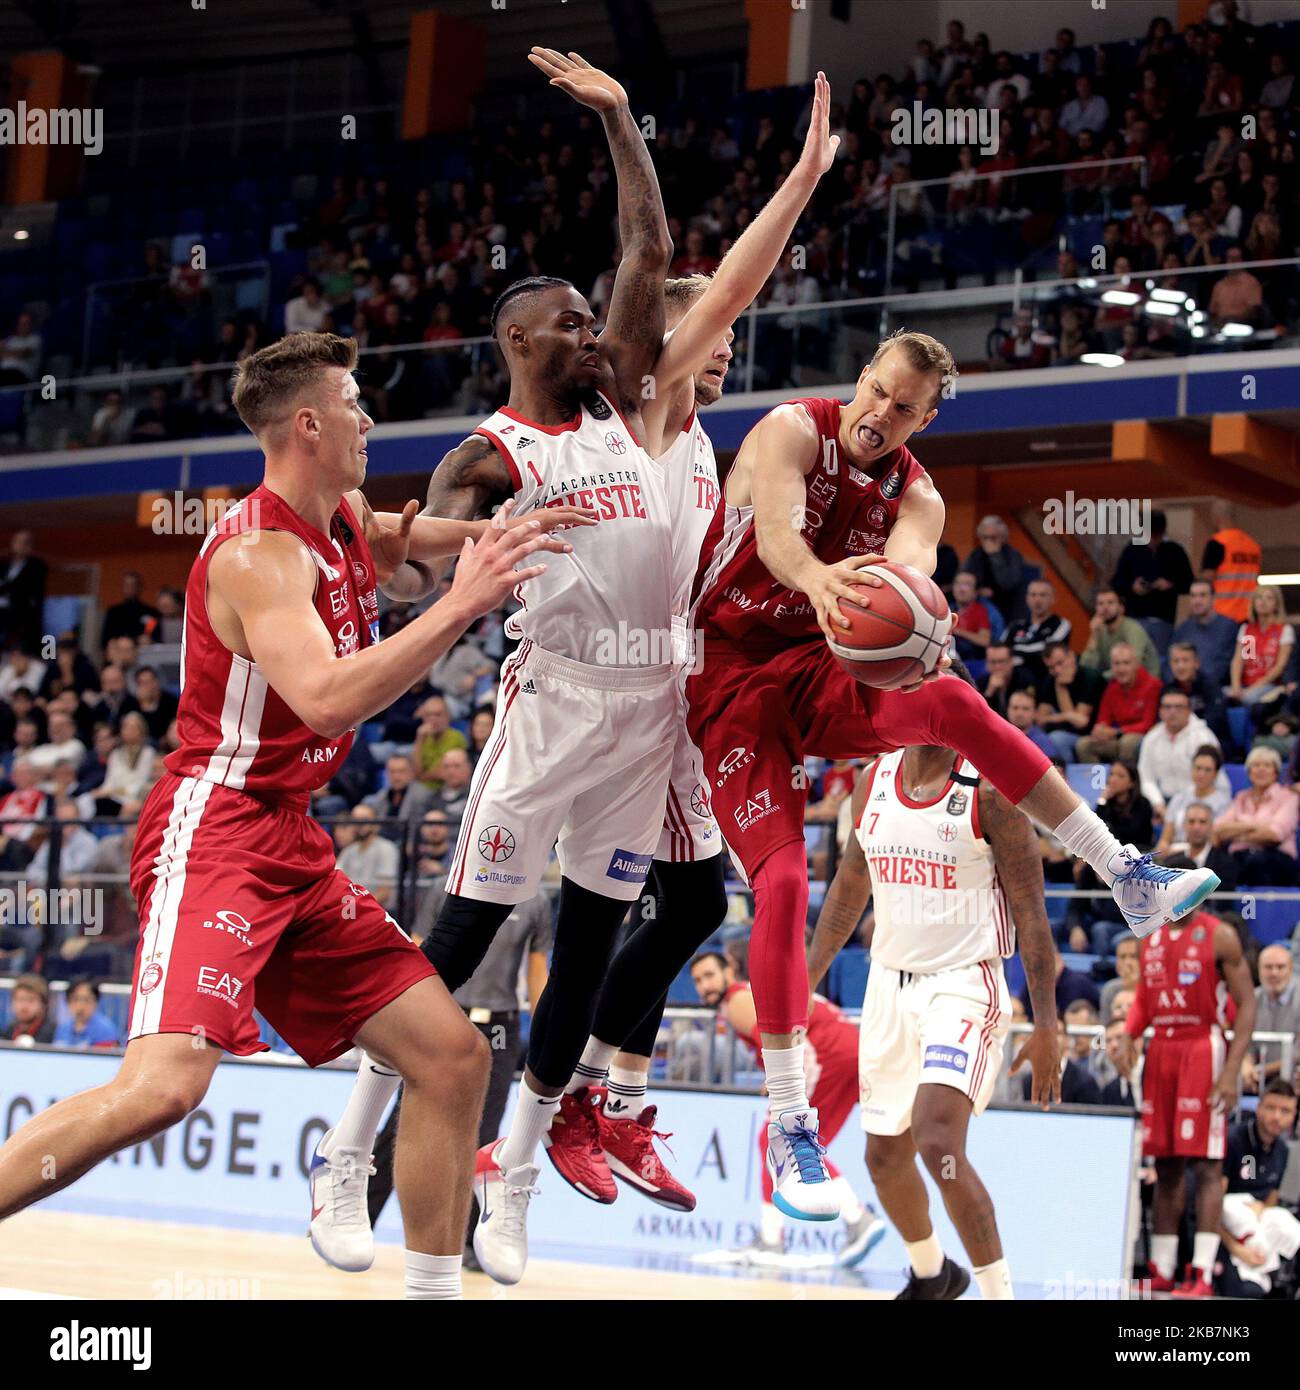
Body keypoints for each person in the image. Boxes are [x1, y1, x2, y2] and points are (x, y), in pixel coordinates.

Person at [313, 61, 849, 1288]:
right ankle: (346, 1153)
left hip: (658, 708)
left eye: (595, 316)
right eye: (568, 322)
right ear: (516, 342)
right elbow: (413, 570)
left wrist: (631, 122)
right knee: (459, 940)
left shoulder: (650, 410)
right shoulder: (491, 451)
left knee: (603, 938)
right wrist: (417, 572)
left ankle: (514, 1179)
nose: (593, 333)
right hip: (556, 701)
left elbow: (660, 248)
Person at [0, 329, 582, 1303]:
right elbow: (324, 697)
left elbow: (401, 541)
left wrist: (497, 538)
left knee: (450, 1055)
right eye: (355, 403)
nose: (369, 416)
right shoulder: (257, 557)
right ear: (308, 423)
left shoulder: (345, 514)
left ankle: (434, 1290)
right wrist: (461, 606)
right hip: (215, 826)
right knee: (165, 1090)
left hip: (294, 839)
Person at [683, 326, 1216, 1220]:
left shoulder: (919, 496)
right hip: (730, 680)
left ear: (926, 418)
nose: (885, 415)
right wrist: (820, 581)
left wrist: (902, 614)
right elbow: (776, 533)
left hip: (823, 672)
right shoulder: (790, 429)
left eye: (907, 409)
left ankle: (1124, 872)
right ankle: (790, 1122)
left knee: (955, 699)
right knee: (780, 884)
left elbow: (910, 580)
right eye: (880, 392)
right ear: (861, 379)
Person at [807, 724, 1062, 1299]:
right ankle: (932, 1275)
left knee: (938, 1141)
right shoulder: (871, 782)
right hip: (886, 986)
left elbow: (1033, 917)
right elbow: (849, 888)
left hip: (964, 983)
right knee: (882, 1155)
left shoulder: (990, 794)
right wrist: (806, 980)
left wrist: (1048, 1025)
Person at [365, 880, 552, 1266]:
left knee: (483, 1134)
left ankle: (467, 1244)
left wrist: (550, 1035)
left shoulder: (536, 901)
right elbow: (418, 953)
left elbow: (537, 974)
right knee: (400, 1126)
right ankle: (360, 1218)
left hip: (498, 1025)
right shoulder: (443, 888)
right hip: (445, 1016)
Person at [691, 952, 885, 1268]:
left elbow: (779, 1038)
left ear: (731, 970)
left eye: (710, 975)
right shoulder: (753, 995)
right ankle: (838, 1223)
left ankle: (844, 1222)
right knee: (798, 1146)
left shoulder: (737, 999)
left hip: (825, 1054)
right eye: (698, 981)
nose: (704, 986)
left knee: (778, 1141)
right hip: (851, 1052)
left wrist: (778, 1076)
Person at [1121, 899, 1255, 1298]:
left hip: (1203, 1049)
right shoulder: (1151, 938)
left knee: (1207, 1165)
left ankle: (1202, 1273)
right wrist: (1128, 1033)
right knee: (1165, 1165)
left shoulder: (1221, 935)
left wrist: (1231, 1070)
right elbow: (1145, 999)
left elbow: (1247, 1003)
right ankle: (1162, 1268)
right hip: (1161, 1050)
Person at [1215, 1080, 1300, 1298]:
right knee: (1248, 1292)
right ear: (1259, 1107)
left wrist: (1262, 1211)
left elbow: (1272, 1196)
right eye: (1271, 1108)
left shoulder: (1282, 1150)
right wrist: (1236, 1248)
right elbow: (1210, 1204)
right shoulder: (1234, 1140)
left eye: (1285, 1111)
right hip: (1225, 1233)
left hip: (1262, 1229)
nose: (1277, 1117)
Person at [1109, 509, 1193, 654]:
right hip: (1135, 618)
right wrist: (1132, 587)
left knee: (1159, 659)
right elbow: (1116, 582)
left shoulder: (1175, 551)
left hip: (1163, 619)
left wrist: (1170, 586)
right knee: (1134, 657)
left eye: (1156, 536)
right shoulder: (1132, 550)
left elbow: (1189, 583)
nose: (1152, 540)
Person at [1213, 746, 1299, 886]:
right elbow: (1219, 829)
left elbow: (1275, 835)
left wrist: (1237, 834)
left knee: (1255, 862)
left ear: (1276, 772)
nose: (1261, 770)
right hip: (1241, 856)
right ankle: (1221, 908)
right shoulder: (1241, 798)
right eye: (1256, 765)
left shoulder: (1288, 797)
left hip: (1276, 857)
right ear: (1249, 772)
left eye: (1267, 765)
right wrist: (1255, 826)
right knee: (1217, 863)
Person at [1136, 686, 1220, 818]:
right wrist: (1158, 805)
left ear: (1189, 711)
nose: (1172, 712)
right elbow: (1146, 779)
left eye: (1178, 707)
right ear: (1160, 712)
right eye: (1167, 707)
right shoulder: (1151, 738)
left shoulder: (1203, 737)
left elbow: (1211, 780)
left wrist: (1176, 810)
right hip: (1162, 801)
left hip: (1197, 802)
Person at [1075, 642, 1162, 764]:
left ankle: (1128, 783)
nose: (1121, 669)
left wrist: (1117, 732)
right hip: (1118, 738)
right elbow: (1103, 720)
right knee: (1084, 745)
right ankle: (1098, 783)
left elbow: (1148, 724)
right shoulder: (1111, 688)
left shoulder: (1153, 685)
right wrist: (1100, 730)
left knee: (1127, 742)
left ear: (1136, 664)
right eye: (1117, 664)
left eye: (1126, 663)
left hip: (1143, 737)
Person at [1227, 585, 1294, 722]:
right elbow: (1241, 660)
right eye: (1259, 597)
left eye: (1269, 598)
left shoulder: (1283, 630)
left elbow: (1280, 667)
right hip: (1245, 684)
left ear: (1277, 605)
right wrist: (1235, 686)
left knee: (1250, 699)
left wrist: (1251, 689)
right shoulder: (1248, 629)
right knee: (1221, 695)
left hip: (1270, 685)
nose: (1263, 602)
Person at [1035, 641, 1104, 763]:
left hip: (1091, 734)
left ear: (1071, 656)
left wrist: (1061, 689)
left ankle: (1065, 780)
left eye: (1060, 663)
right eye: (1051, 667)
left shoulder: (1089, 677)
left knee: (1057, 739)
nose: (1057, 670)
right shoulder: (1050, 680)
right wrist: (1066, 717)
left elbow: (1080, 722)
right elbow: (1040, 719)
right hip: (1065, 732)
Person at [1243, 946, 1300, 1093]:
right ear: (1259, 969)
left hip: (1293, 1078)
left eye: (1280, 967)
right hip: (1257, 1078)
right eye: (1268, 967)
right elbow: (1245, 1043)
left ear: (1291, 968)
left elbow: (1298, 1054)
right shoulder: (1251, 999)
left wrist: (1263, 1070)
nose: (1274, 973)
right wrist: (1247, 1064)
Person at [1156, 747, 1232, 850]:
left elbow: (1215, 841)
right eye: (1198, 768)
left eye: (1207, 770)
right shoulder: (1179, 798)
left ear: (1216, 774)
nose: (1201, 774)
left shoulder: (1224, 804)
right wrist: (1164, 850)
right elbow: (1165, 839)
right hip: (1174, 853)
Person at [1002, 578, 1071, 689]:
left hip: (1042, 678)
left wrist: (1017, 654)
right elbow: (1001, 651)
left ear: (1053, 599)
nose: (1037, 600)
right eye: (1033, 595)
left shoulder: (1062, 624)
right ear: (1027, 598)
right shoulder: (1015, 626)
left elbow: (1047, 652)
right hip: (1011, 677)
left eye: (1042, 595)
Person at [1200, 500, 1260, 624]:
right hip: (1248, 615)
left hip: (1223, 615)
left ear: (1216, 518)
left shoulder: (1217, 543)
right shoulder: (1253, 545)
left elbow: (1206, 580)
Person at [1172, 579, 1239, 688]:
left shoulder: (1229, 627)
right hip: (1184, 689)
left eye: (1202, 595)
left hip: (1216, 689)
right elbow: (1170, 661)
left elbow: (1224, 666)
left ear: (1213, 599)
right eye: (1193, 596)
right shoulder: (1183, 629)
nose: (1197, 601)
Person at [1081, 587, 1160, 678]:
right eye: (1100, 604)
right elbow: (1086, 668)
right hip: (1118, 680)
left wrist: (1100, 679)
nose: (1105, 608)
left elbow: (1133, 664)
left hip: (1144, 681)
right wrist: (1093, 635)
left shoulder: (1133, 629)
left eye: (1110, 603)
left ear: (1121, 608)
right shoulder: (1100, 630)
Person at [962, 515, 1025, 624]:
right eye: (985, 537)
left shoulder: (1012, 554)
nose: (988, 541)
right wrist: (978, 590)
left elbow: (1008, 583)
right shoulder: (976, 554)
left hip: (1007, 610)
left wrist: (995, 556)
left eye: (993, 537)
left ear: (1002, 537)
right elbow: (963, 578)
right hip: (978, 608)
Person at [336, 804, 400, 906]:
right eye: (356, 820)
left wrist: (357, 906)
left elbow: (384, 892)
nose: (359, 824)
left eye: (364, 820)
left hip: (378, 913)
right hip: (350, 910)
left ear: (376, 824)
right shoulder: (349, 850)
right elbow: (336, 882)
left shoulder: (386, 849)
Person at [52, 978, 122, 1048]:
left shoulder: (106, 1030)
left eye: (87, 1000)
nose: (80, 1006)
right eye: (75, 999)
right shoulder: (62, 1028)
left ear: (96, 1002)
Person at [978, 642, 1034, 718]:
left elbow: (1027, 712)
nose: (997, 667)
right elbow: (979, 714)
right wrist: (989, 692)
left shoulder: (1025, 679)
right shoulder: (981, 682)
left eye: (1001, 661)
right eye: (993, 662)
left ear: (1011, 661)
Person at [5, 973, 55, 1044]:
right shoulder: (9, 1030)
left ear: (44, 1004)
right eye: (20, 999)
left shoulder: (53, 1034)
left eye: (30, 1000)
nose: (24, 1006)